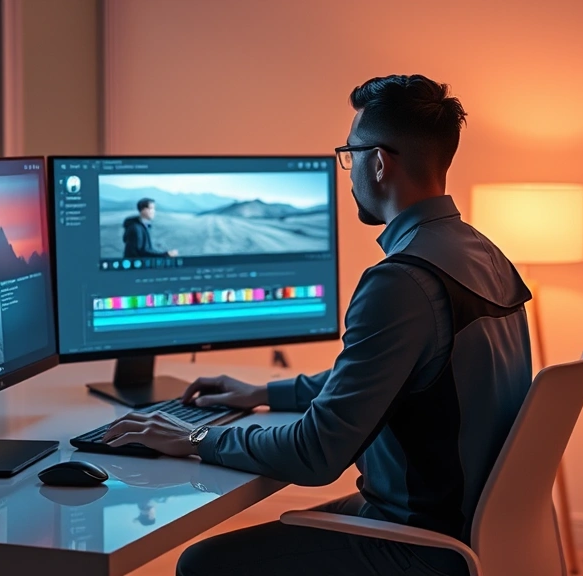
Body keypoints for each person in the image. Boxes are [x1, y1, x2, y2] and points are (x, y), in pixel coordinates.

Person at [102, 75, 533, 576]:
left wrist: (193, 439)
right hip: (464, 527)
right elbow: (387, 378)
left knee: (205, 564)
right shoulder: (484, 253)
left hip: (420, 542)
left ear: (377, 162)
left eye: (349, 155)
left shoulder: (403, 281)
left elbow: (315, 454)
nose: (347, 172)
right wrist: (264, 393)